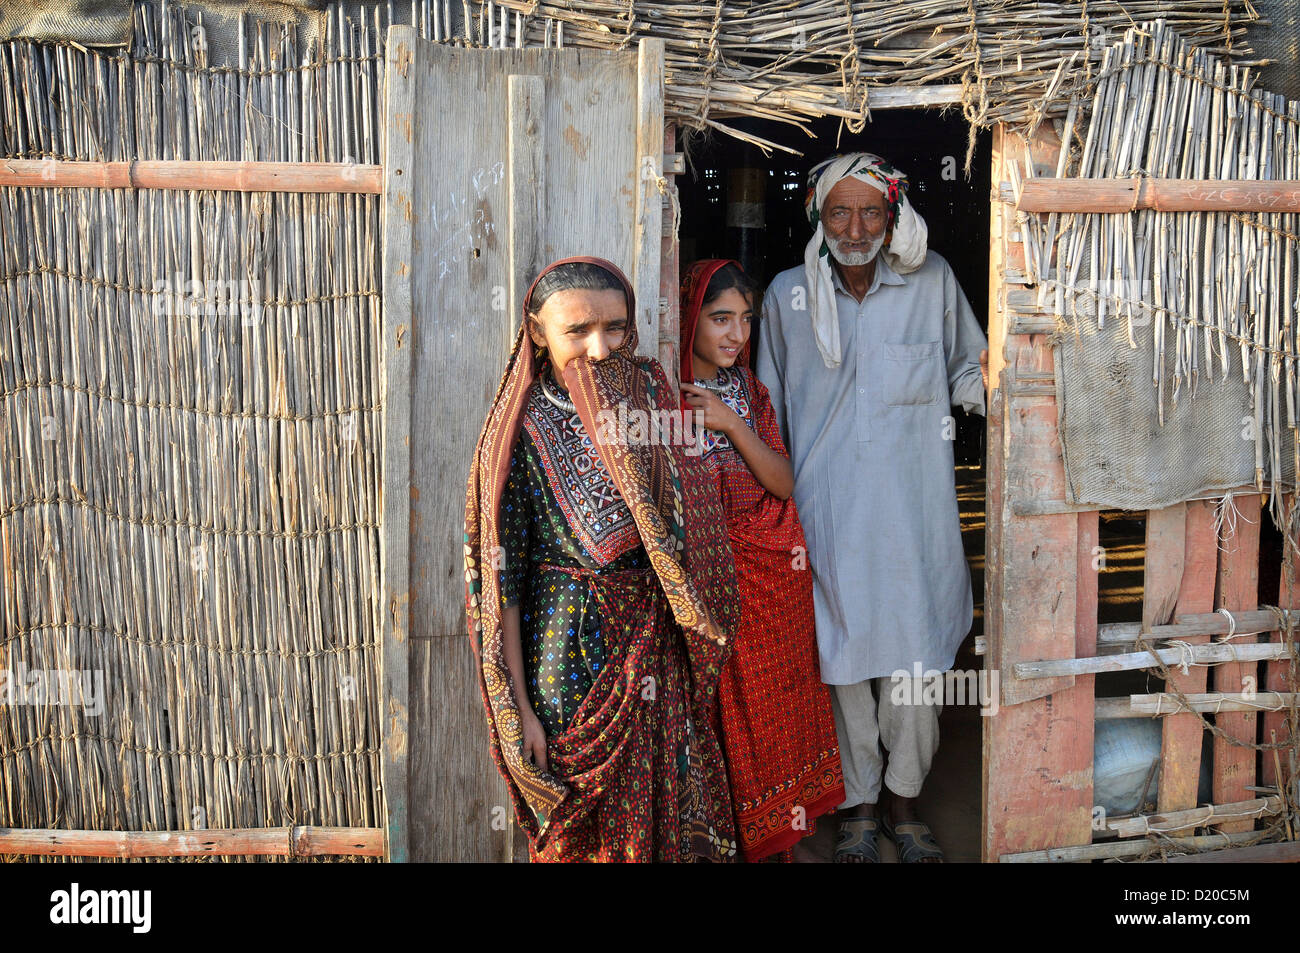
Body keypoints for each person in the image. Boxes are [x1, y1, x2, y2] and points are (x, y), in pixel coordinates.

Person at [463, 255, 740, 862]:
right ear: (537, 333)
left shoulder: (652, 403)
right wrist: (521, 708)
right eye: (577, 331)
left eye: (615, 328)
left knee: (663, 808)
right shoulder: (521, 431)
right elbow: (504, 584)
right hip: (566, 656)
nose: (599, 347)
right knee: (584, 831)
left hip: (655, 641)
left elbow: (690, 523)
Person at [755, 153, 990, 863]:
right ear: (817, 218)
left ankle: (904, 800)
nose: (855, 229)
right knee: (843, 663)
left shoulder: (932, 280)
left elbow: (969, 367)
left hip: (915, 517)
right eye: (839, 213)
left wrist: (1010, 389)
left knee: (916, 660)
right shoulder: (788, 295)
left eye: (870, 212)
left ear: (892, 217)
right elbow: (768, 408)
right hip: (826, 516)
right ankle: (859, 805)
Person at [678, 259, 846, 862]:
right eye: (721, 318)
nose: (737, 334)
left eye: (746, 320)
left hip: (775, 580)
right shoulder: (663, 400)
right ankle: (741, 839)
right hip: (714, 586)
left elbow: (782, 480)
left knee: (779, 713)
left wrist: (730, 423)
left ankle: (782, 835)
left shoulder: (749, 392)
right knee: (726, 719)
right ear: (691, 317)